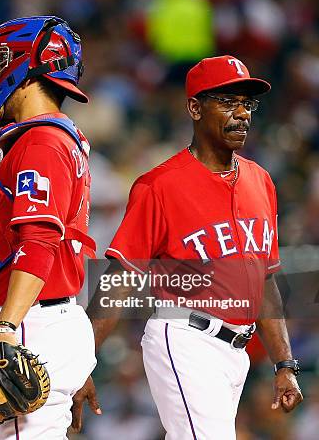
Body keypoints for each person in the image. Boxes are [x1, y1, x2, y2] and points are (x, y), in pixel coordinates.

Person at [72, 55, 303, 439]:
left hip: (236, 353)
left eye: (247, 103)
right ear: (195, 107)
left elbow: (264, 281)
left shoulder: (261, 181)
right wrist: (80, 363)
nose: (242, 113)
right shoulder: (159, 185)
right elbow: (120, 281)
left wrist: (284, 363)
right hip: (184, 339)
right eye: (228, 102)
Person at [0, 16, 97, 439]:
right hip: (46, 317)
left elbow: (37, 242)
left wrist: (6, 330)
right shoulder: (45, 139)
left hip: (27, 323)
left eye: (2, 60)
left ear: (29, 69)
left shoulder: (40, 143)